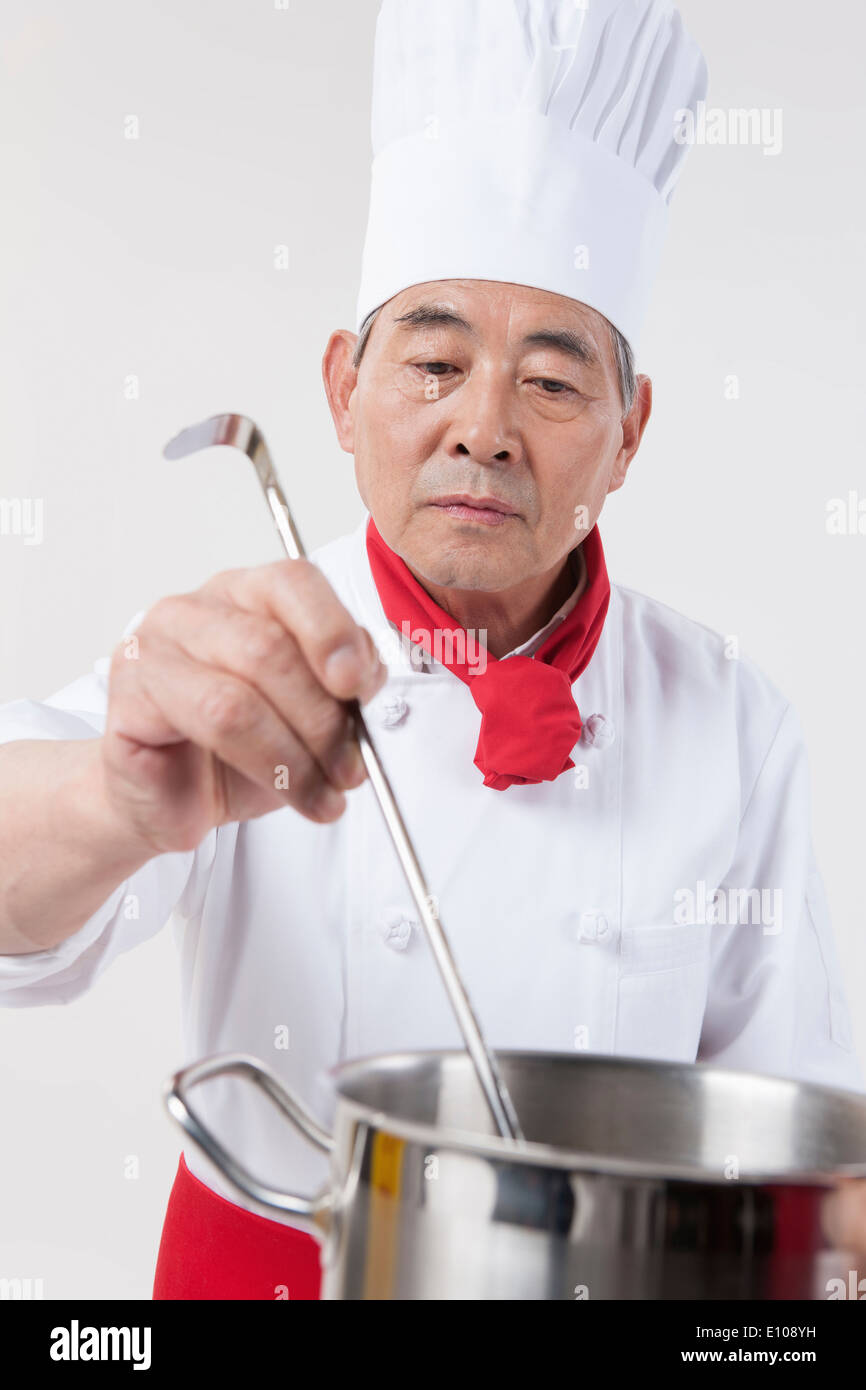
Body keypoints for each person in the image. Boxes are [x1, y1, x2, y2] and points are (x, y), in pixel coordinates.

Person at [1, 0, 862, 1300]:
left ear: (630, 434)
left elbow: (800, 1152)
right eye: (433, 363)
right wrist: (118, 800)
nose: (483, 428)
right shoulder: (240, 658)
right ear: (343, 391)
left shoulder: (732, 721)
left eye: (552, 382)